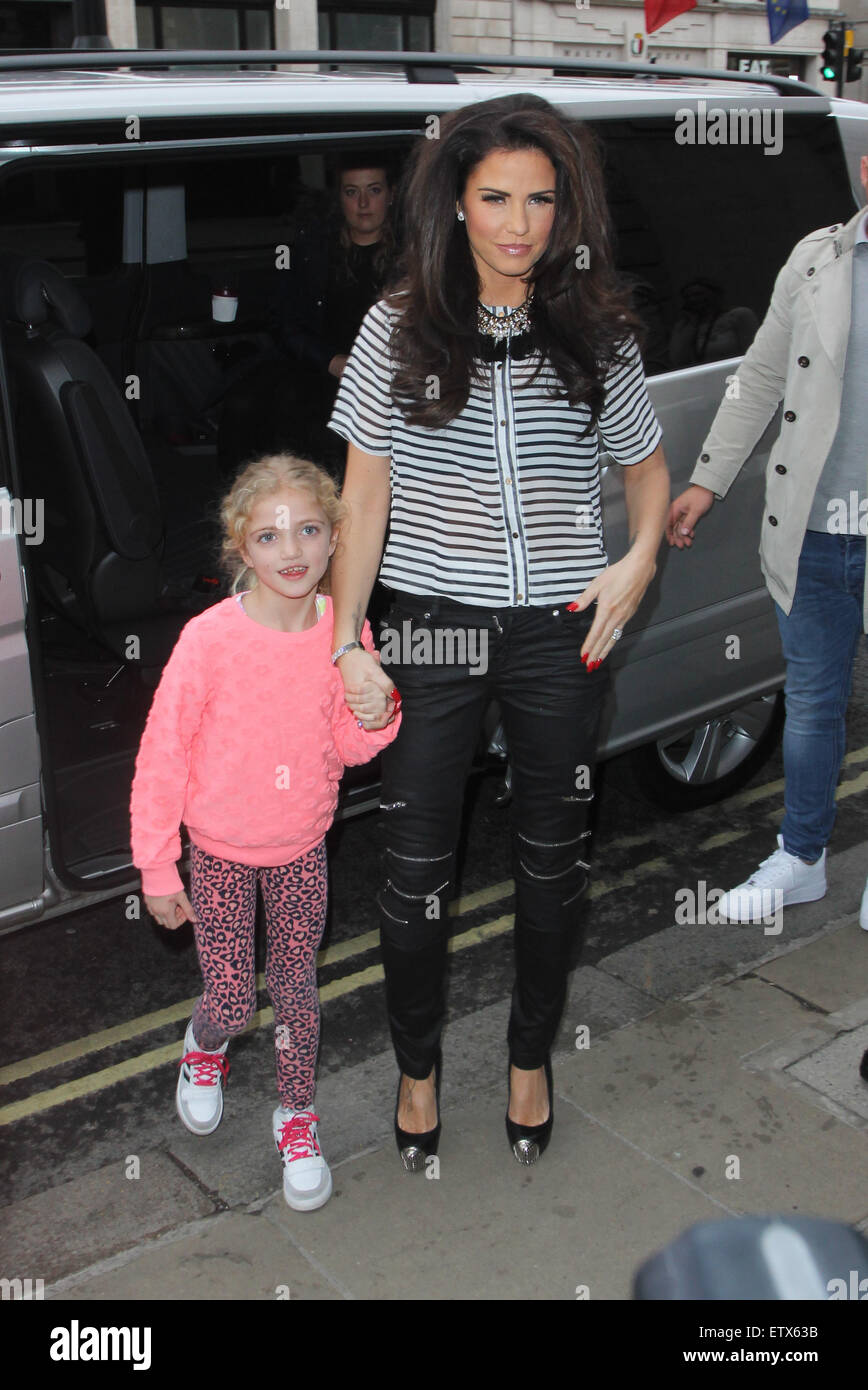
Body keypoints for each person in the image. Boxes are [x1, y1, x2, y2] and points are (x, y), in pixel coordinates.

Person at [326, 94, 670, 1169]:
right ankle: (417, 1070)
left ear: (566, 205)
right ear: (455, 205)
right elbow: (365, 499)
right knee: (416, 864)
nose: (518, 223)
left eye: (539, 197)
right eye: (494, 198)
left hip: (561, 626)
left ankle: (529, 1058)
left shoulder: (597, 326)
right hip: (432, 625)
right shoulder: (397, 323)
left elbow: (646, 470)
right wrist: (345, 637)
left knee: (550, 861)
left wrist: (638, 557)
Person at [129, 454, 399, 1210]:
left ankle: (298, 1116)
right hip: (216, 852)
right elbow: (162, 755)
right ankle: (205, 1047)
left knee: (296, 988)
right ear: (241, 549)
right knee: (229, 994)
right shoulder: (209, 640)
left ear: (336, 538)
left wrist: (379, 715)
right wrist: (156, 867)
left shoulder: (343, 634)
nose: (294, 552)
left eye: (310, 530)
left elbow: (346, 742)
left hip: (302, 848)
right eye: (271, 537)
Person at [667, 157, 868, 938]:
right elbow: (758, 378)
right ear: (861, 168)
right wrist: (708, 480)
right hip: (814, 528)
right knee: (814, 707)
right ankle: (803, 858)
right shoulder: (817, 257)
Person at [217, 156, 397, 481]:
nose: (364, 203)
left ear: (391, 194)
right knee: (254, 407)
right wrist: (331, 361)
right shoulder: (316, 250)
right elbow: (285, 321)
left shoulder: (409, 256)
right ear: (339, 197)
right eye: (351, 192)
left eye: (374, 190)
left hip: (388, 375)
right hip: (320, 369)